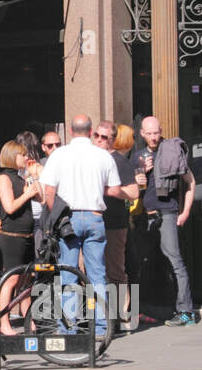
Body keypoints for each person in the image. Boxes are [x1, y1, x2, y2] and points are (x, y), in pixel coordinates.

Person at [39, 116, 135, 337]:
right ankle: (102, 326)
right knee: (97, 274)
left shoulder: (59, 155)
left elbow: (49, 193)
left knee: (69, 274)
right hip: (94, 216)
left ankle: (68, 327)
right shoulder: (103, 156)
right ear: (91, 132)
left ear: (70, 132)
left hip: (69, 218)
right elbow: (114, 188)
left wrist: (59, 217)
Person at [131, 115, 198, 325]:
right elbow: (133, 191)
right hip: (144, 215)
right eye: (149, 133)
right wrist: (140, 177)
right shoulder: (137, 157)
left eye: (156, 132)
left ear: (161, 131)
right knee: (138, 263)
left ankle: (186, 313)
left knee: (175, 262)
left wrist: (185, 211)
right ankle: (138, 309)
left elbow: (191, 181)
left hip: (168, 213)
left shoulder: (171, 151)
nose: (153, 137)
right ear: (142, 134)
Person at [0, 141, 37, 334]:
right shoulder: (4, 178)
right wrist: (27, 195)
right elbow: (9, 207)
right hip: (12, 236)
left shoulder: (22, 178)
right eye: (22, 155)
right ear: (12, 157)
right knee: (11, 279)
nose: (26, 158)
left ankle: (29, 321)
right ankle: (3, 323)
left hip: (27, 235)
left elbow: (42, 199)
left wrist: (33, 181)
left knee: (26, 280)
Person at [94, 121, 137, 329]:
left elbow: (134, 192)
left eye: (104, 137)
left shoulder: (120, 161)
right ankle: (97, 316)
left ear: (112, 140)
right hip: (92, 221)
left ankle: (121, 315)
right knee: (91, 270)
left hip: (114, 222)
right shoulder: (89, 159)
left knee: (115, 269)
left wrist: (113, 191)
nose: (99, 140)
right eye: (96, 135)